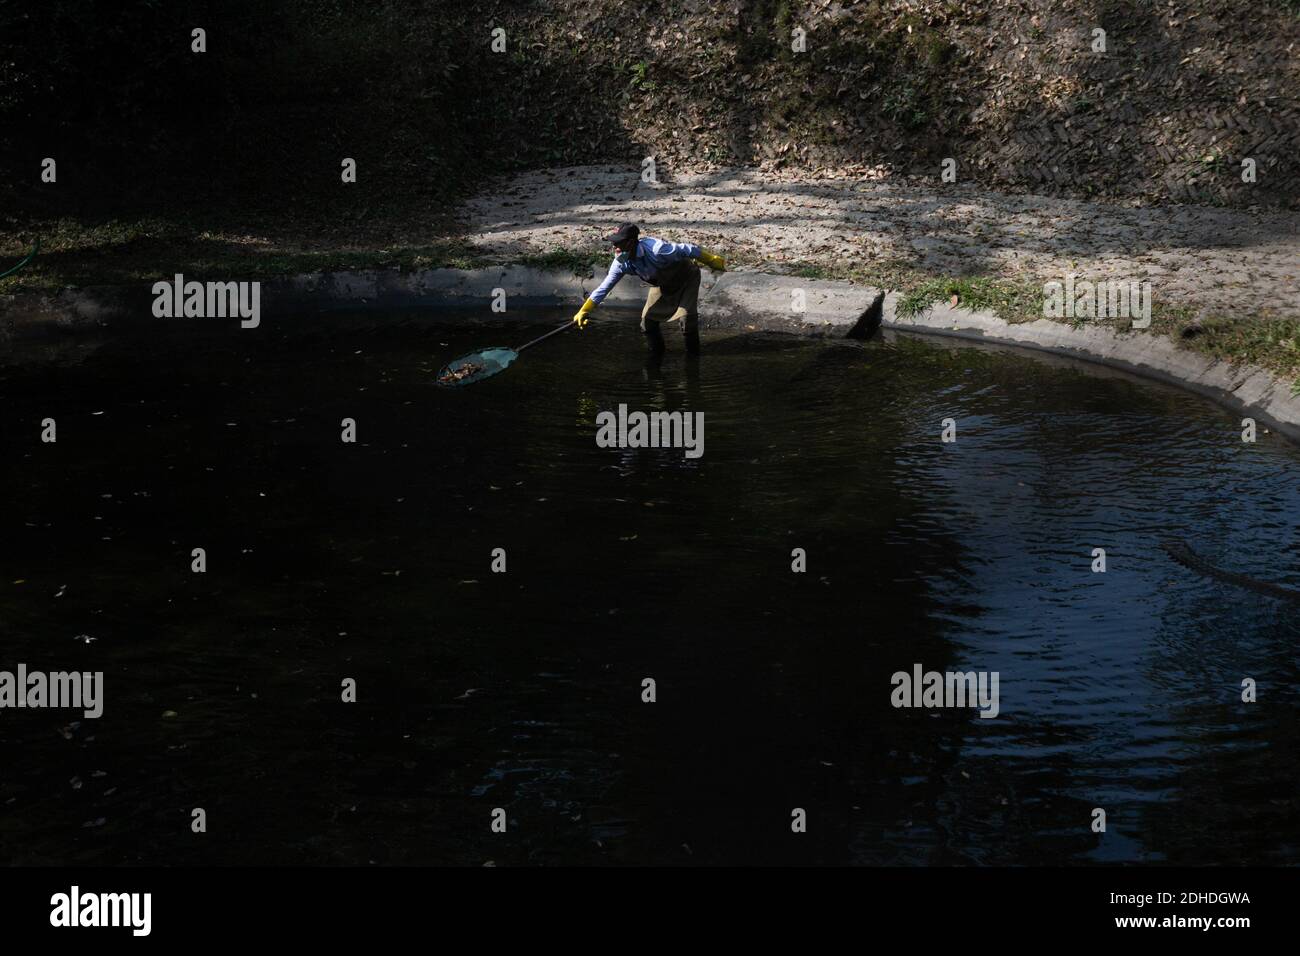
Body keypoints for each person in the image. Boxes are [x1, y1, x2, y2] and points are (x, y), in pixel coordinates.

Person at [571, 223, 727, 355]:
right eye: (614, 243)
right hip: (662, 283)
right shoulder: (621, 263)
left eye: (619, 243)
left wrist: (712, 260)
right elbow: (604, 287)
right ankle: (656, 356)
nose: (615, 247)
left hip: (685, 278)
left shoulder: (657, 250)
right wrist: (585, 310)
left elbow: (688, 249)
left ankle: (693, 358)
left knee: (687, 319)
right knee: (647, 322)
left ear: (632, 243)